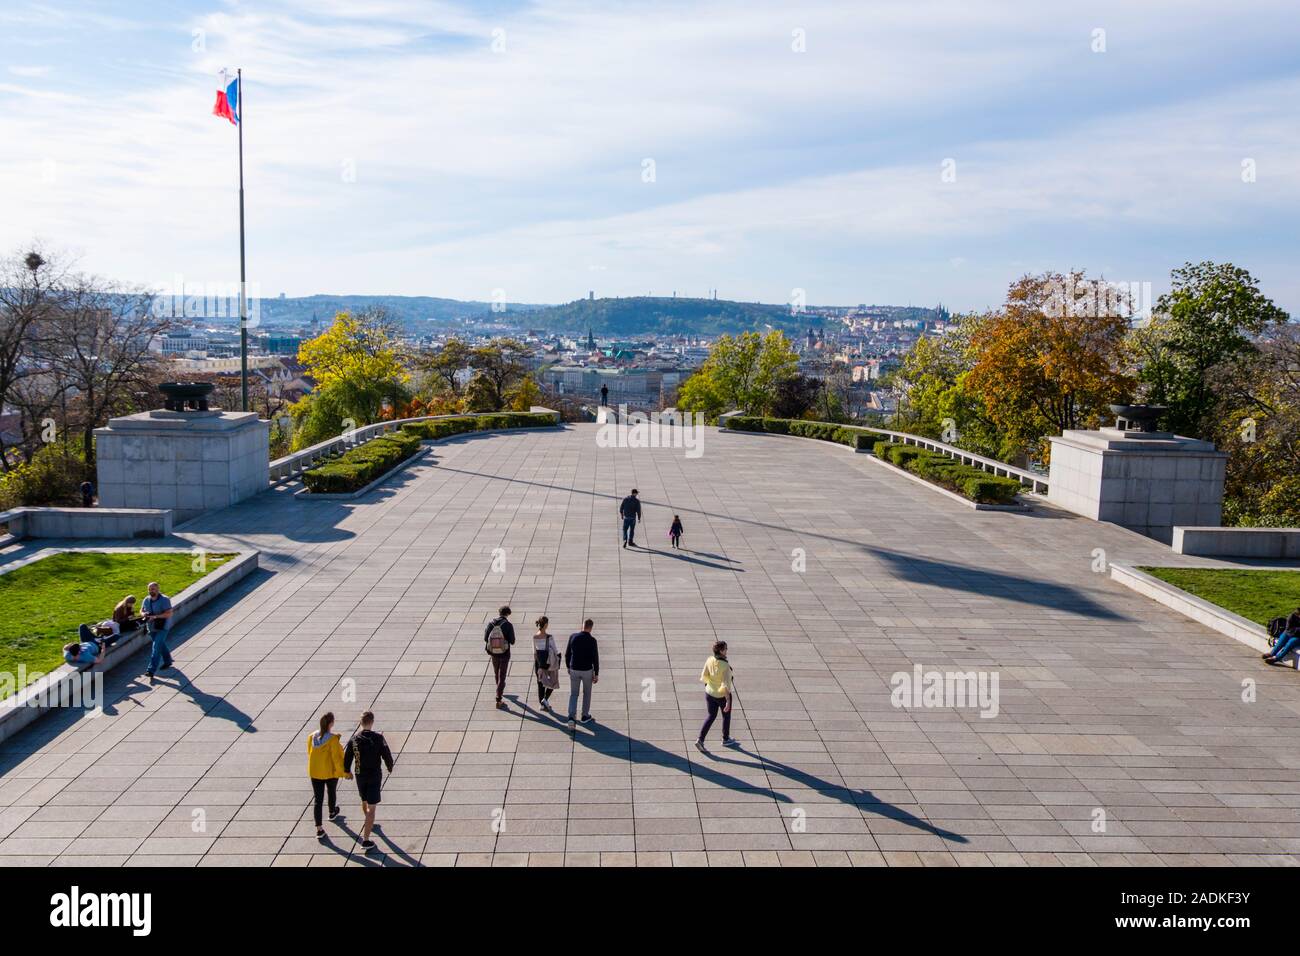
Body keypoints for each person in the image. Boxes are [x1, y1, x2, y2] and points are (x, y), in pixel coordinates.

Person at [343, 711, 394, 850]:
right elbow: (386, 754)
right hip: (374, 775)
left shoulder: (354, 739)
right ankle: (365, 840)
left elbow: (347, 758)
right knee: (372, 807)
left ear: (360, 723)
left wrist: (347, 771)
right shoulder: (378, 738)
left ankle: (368, 821)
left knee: (364, 800)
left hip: (360, 775)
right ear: (372, 722)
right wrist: (390, 766)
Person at [307, 711, 350, 838]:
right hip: (329, 771)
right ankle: (332, 812)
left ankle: (319, 829)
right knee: (331, 791)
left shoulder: (311, 737)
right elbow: (337, 759)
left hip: (315, 772)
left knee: (318, 800)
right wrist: (345, 773)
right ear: (331, 724)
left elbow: (309, 752)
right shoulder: (333, 740)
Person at [695, 641, 738, 750]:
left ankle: (700, 739)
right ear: (721, 651)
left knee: (711, 716)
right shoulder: (725, 666)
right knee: (726, 716)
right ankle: (726, 739)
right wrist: (728, 701)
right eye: (725, 648)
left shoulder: (710, 660)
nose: (727, 650)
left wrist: (708, 687)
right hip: (722, 695)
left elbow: (704, 675)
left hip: (709, 693)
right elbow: (725, 685)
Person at [565, 618, 599, 724]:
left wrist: (568, 667)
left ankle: (571, 716)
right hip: (587, 670)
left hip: (574, 669)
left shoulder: (573, 637)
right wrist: (596, 673)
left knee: (574, 693)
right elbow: (595, 658)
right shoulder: (592, 640)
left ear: (582, 625)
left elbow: (567, 654)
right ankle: (585, 715)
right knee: (587, 693)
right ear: (591, 628)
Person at [141, 581, 173, 683]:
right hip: (151, 627)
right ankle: (168, 661)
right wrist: (144, 614)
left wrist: (156, 616)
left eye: (153, 589)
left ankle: (151, 670)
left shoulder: (165, 600)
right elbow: (141, 610)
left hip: (163, 627)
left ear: (158, 589)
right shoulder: (146, 600)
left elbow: (168, 614)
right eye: (149, 589)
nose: (151, 591)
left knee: (155, 647)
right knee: (160, 645)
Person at [484, 605, 516, 709]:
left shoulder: (491, 623)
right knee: (502, 675)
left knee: (496, 672)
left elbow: (485, 638)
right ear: (508, 614)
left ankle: (499, 688)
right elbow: (512, 641)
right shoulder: (508, 625)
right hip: (504, 653)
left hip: (493, 652)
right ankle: (498, 698)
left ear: (499, 613)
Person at [533, 615, 560, 711]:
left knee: (540, 683)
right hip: (549, 663)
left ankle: (542, 704)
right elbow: (555, 650)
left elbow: (535, 653)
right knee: (553, 682)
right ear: (546, 625)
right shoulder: (550, 637)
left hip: (539, 664)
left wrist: (539, 665)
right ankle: (545, 699)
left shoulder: (535, 637)